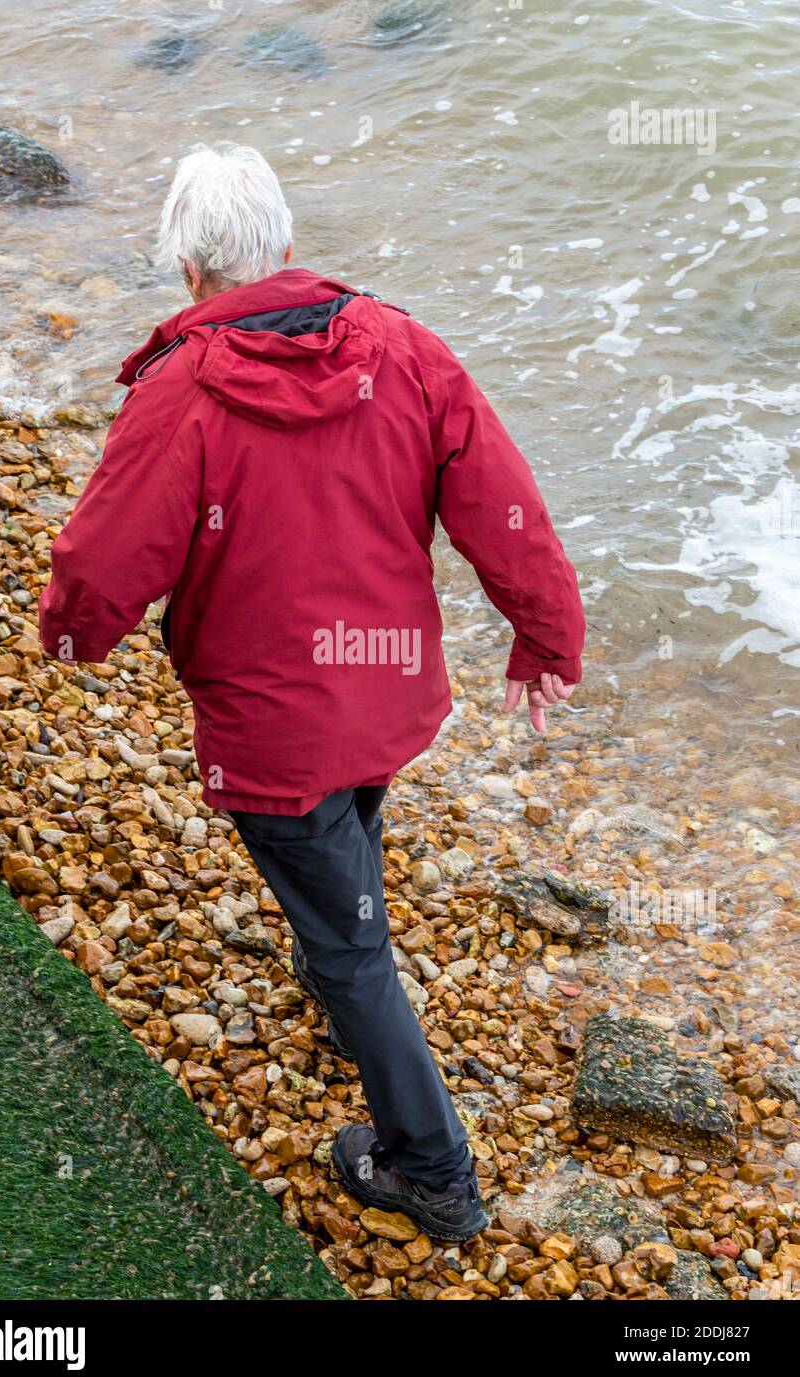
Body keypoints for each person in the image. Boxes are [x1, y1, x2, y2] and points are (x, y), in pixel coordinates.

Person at [39, 142, 585, 1241]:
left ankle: (431, 1170)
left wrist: (72, 636)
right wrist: (545, 635)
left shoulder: (181, 391)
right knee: (348, 829)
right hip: (385, 687)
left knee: (353, 945)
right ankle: (336, 972)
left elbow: (103, 564)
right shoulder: (405, 349)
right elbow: (503, 504)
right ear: (283, 251)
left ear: (190, 276)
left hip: (274, 727)